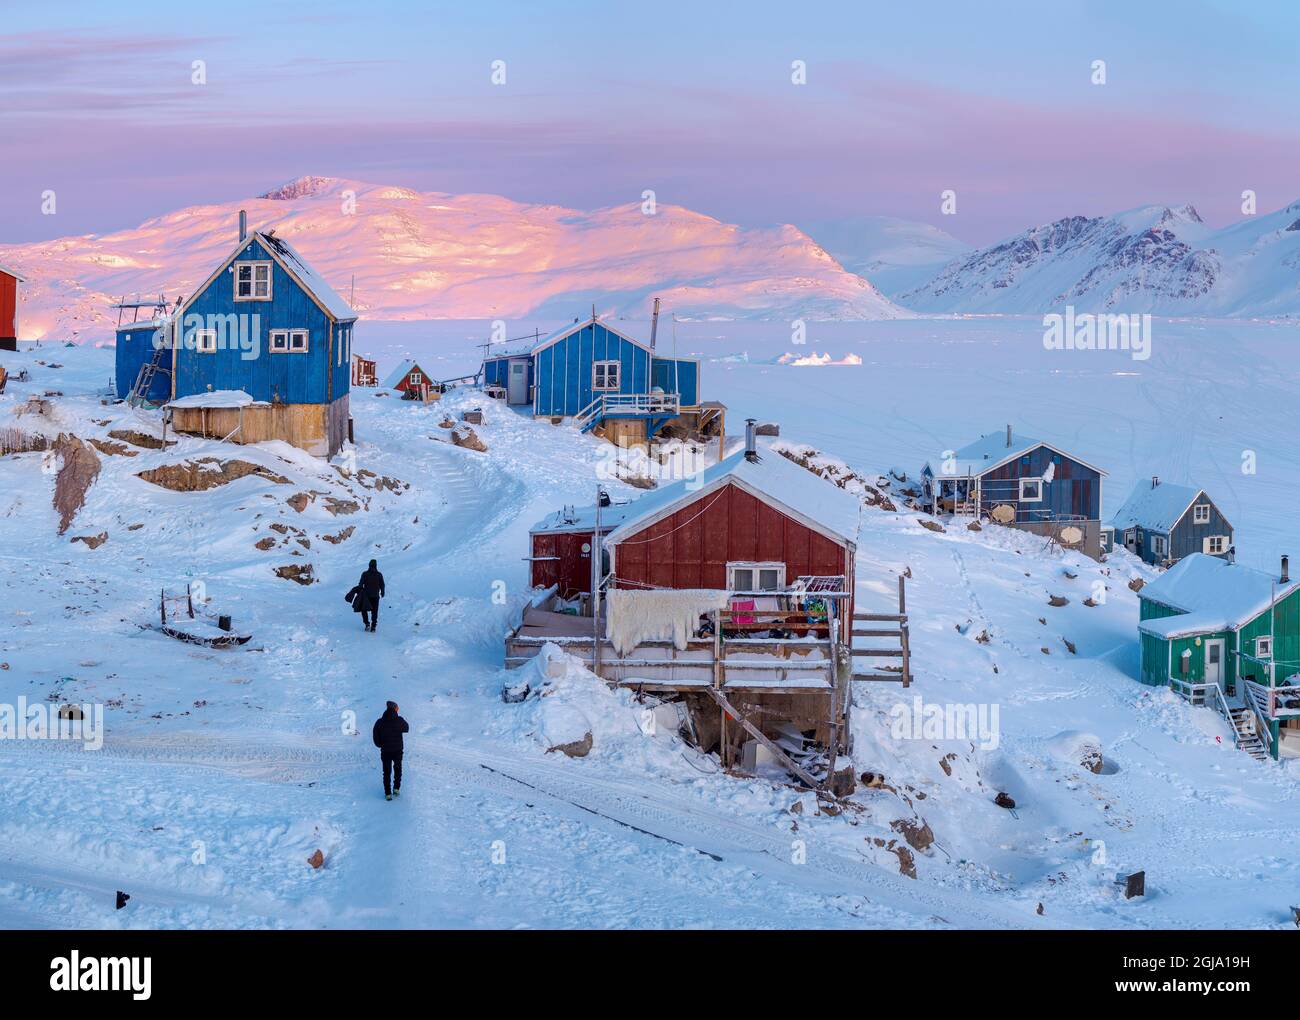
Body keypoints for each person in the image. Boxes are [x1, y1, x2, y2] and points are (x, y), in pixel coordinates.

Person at [372, 701, 408, 801]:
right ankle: (396, 788)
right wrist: (400, 719)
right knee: (398, 769)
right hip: (397, 751)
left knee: (386, 772)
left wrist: (380, 745)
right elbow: (407, 728)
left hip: (385, 751)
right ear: (395, 709)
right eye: (398, 708)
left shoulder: (379, 722)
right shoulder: (399, 720)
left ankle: (387, 793)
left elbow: (375, 736)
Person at [358, 559, 385, 632]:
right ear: (376, 566)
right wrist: (382, 592)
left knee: (364, 610)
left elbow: (360, 584)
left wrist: (359, 590)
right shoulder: (379, 574)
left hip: (366, 596)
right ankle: (373, 627)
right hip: (375, 596)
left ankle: (367, 624)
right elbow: (382, 584)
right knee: (374, 611)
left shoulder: (365, 574)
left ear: (369, 565)